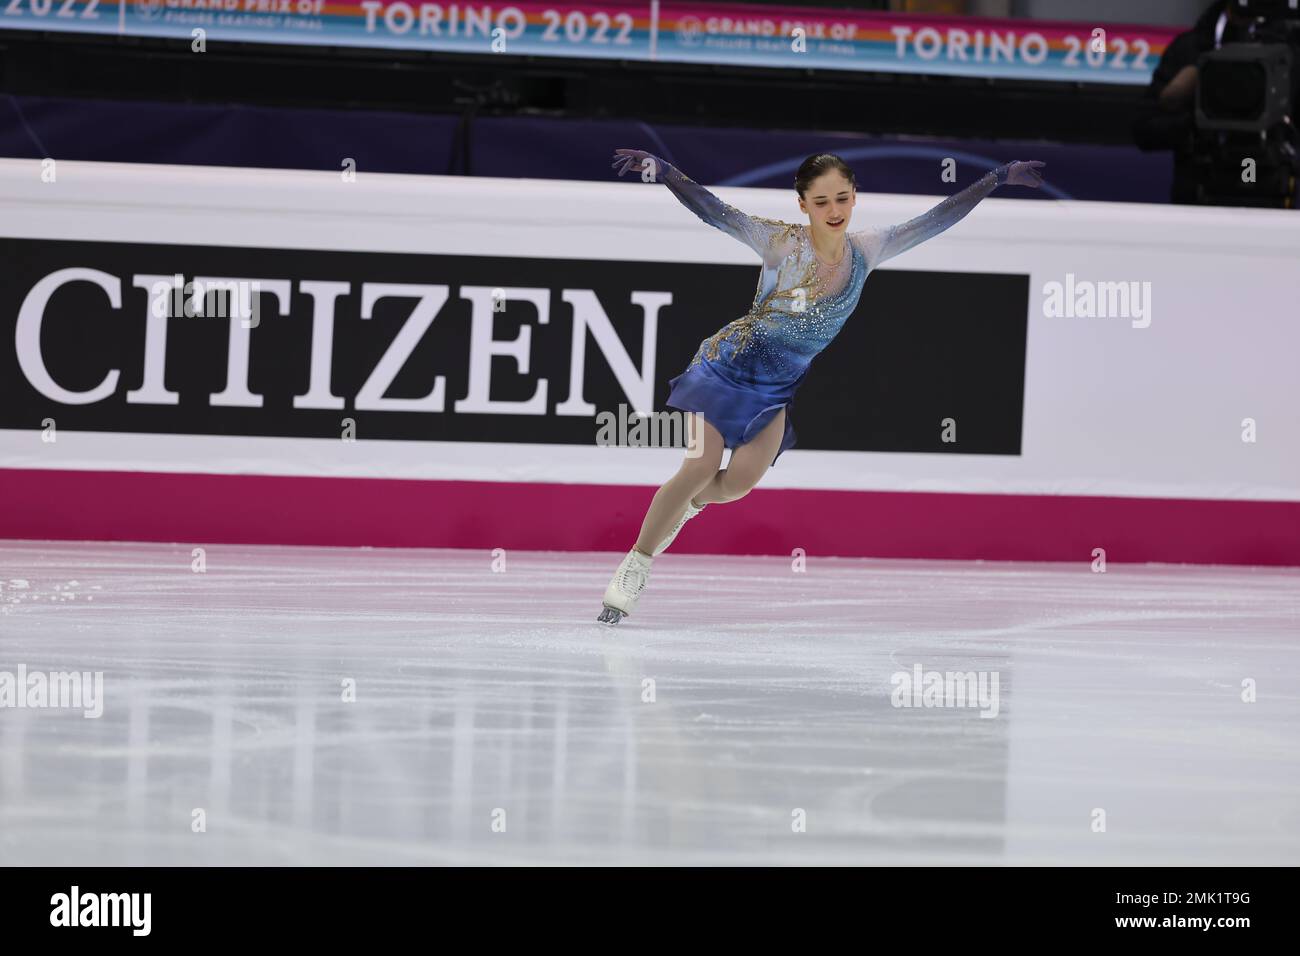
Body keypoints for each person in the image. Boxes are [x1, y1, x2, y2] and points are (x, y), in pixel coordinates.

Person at [597, 148, 1046, 625]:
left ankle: (685, 508)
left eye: (842, 199)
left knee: (737, 484)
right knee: (700, 464)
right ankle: (636, 565)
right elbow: (715, 211)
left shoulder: (868, 249)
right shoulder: (780, 244)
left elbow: (935, 220)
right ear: (802, 205)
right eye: (822, 202)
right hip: (722, 368)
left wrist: (994, 178)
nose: (834, 211)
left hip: (775, 391)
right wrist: (665, 172)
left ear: (854, 198)